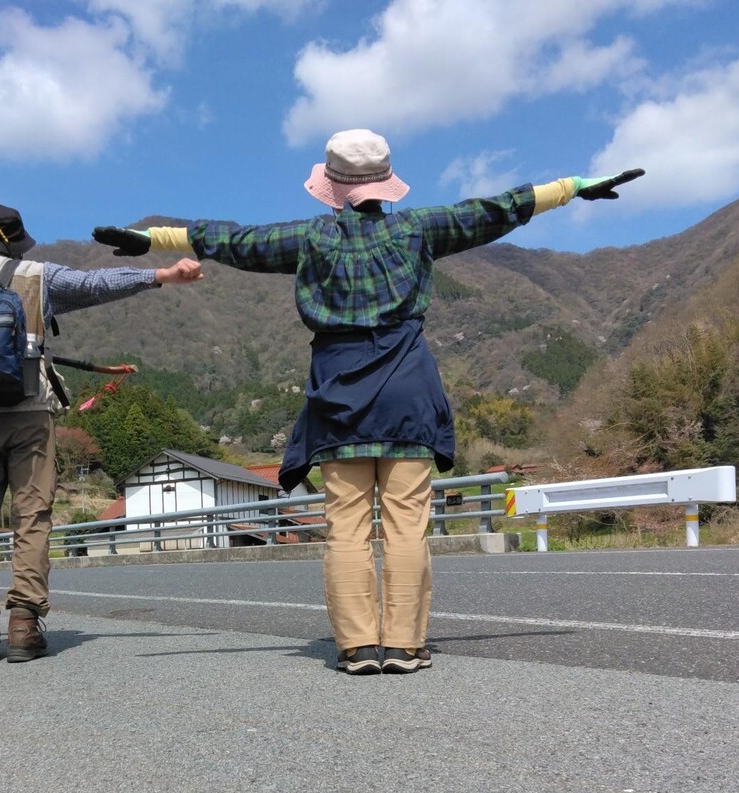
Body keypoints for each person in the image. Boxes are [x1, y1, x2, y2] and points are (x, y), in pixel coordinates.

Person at [94, 130, 642, 675]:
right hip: (408, 383)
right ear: (386, 182)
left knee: (348, 526)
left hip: (338, 390)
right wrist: (572, 186)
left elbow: (236, 240)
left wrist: (155, 240)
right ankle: (404, 646)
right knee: (407, 525)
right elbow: (495, 210)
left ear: (330, 184)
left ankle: (358, 647)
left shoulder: (310, 238)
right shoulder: (418, 228)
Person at [0, 204, 204, 664]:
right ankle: (25, 623)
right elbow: (95, 286)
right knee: (32, 518)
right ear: (15, 240)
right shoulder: (39, 277)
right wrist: (161, 275)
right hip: (30, 414)